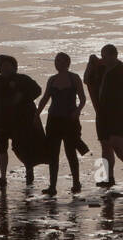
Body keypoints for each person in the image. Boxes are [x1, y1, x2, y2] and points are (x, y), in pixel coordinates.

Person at [84, 43, 123, 188]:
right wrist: (90, 64)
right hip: (102, 113)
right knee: (105, 145)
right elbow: (87, 80)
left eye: (105, 56)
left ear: (114, 55)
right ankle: (107, 178)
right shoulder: (99, 68)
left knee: (116, 143)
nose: (103, 59)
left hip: (121, 113)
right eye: (102, 56)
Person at [0, 54, 42, 186]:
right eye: (3, 66)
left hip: (21, 120)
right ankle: (3, 177)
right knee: (1, 148)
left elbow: (37, 90)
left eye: (8, 65)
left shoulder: (23, 79)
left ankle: (29, 170)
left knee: (23, 147)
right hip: (1, 121)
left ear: (14, 67)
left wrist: (22, 95)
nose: (5, 68)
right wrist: (9, 88)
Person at [35, 52, 88, 195]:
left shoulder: (74, 78)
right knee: (53, 154)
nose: (57, 63)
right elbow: (45, 98)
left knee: (71, 152)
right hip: (53, 120)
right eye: (56, 61)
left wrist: (77, 111)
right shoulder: (52, 80)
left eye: (60, 61)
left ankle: (76, 183)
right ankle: (52, 186)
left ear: (67, 63)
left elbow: (83, 99)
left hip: (70, 120)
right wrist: (37, 114)